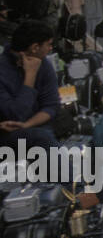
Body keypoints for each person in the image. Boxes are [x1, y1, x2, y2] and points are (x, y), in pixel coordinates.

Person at [0, 20, 60, 150]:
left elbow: (51, 105)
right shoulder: (2, 70)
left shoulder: (44, 64)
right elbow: (15, 115)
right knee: (42, 138)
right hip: (7, 134)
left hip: (37, 127)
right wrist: (30, 76)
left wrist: (27, 124)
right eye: (49, 45)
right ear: (34, 48)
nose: (51, 49)